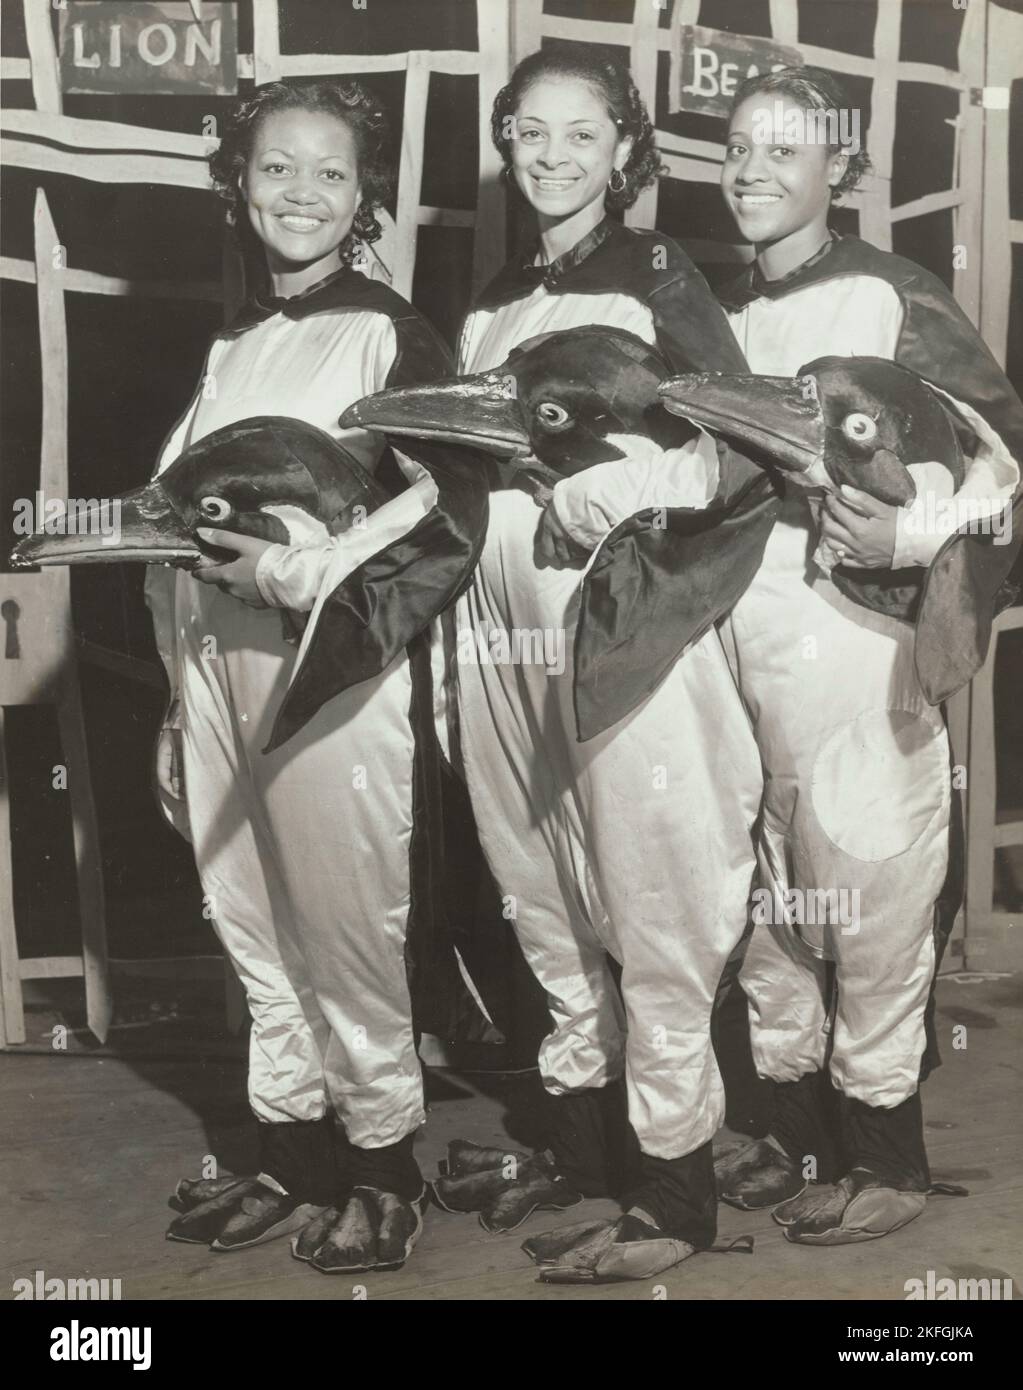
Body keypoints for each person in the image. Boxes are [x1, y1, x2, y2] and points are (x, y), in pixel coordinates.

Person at [439, 48, 764, 1276]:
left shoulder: (662, 278)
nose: (554, 156)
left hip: (622, 623)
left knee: (651, 894)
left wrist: (616, 488)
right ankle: (583, 1146)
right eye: (531, 131)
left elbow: (740, 449)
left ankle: (676, 1195)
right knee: (540, 891)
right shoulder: (491, 301)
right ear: (508, 141)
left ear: (627, 150)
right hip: (497, 634)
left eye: (582, 135)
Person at [146, 78, 464, 1273]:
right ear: (238, 180)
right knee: (252, 918)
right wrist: (183, 696)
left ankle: (385, 1169)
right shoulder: (234, 341)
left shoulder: (387, 330)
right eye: (277, 167)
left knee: (342, 927)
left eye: (331, 173)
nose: (301, 193)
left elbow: (442, 513)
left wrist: (294, 572)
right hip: (217, 671)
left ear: (365, 194)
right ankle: (292, 1153)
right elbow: (181, 517)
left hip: (329, 670)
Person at [706, 67, 1023, 1244]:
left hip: (861, 649)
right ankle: (794, 1135)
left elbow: (1009, 469)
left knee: (875, 896)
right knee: (774, 904)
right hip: (739, 653)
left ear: (840, 168)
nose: (752, 171)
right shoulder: (720, 317)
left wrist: (908, 529)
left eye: (785, 150)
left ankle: (887, 1153)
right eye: (737, 146)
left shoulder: (895, 295)